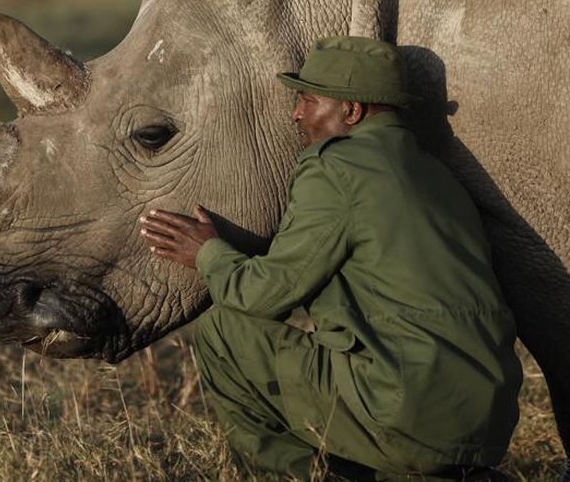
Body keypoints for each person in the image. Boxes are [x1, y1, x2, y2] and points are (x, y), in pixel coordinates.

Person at [139, 36, 522, 480]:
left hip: (403, 412)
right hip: (487, 424)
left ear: (352, 112)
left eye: (306, 100)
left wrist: (207, 252)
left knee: (223, 329)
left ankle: (313, 474)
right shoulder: (438, 174)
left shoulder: (335, 167)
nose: (296, 114)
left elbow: (264, 296)